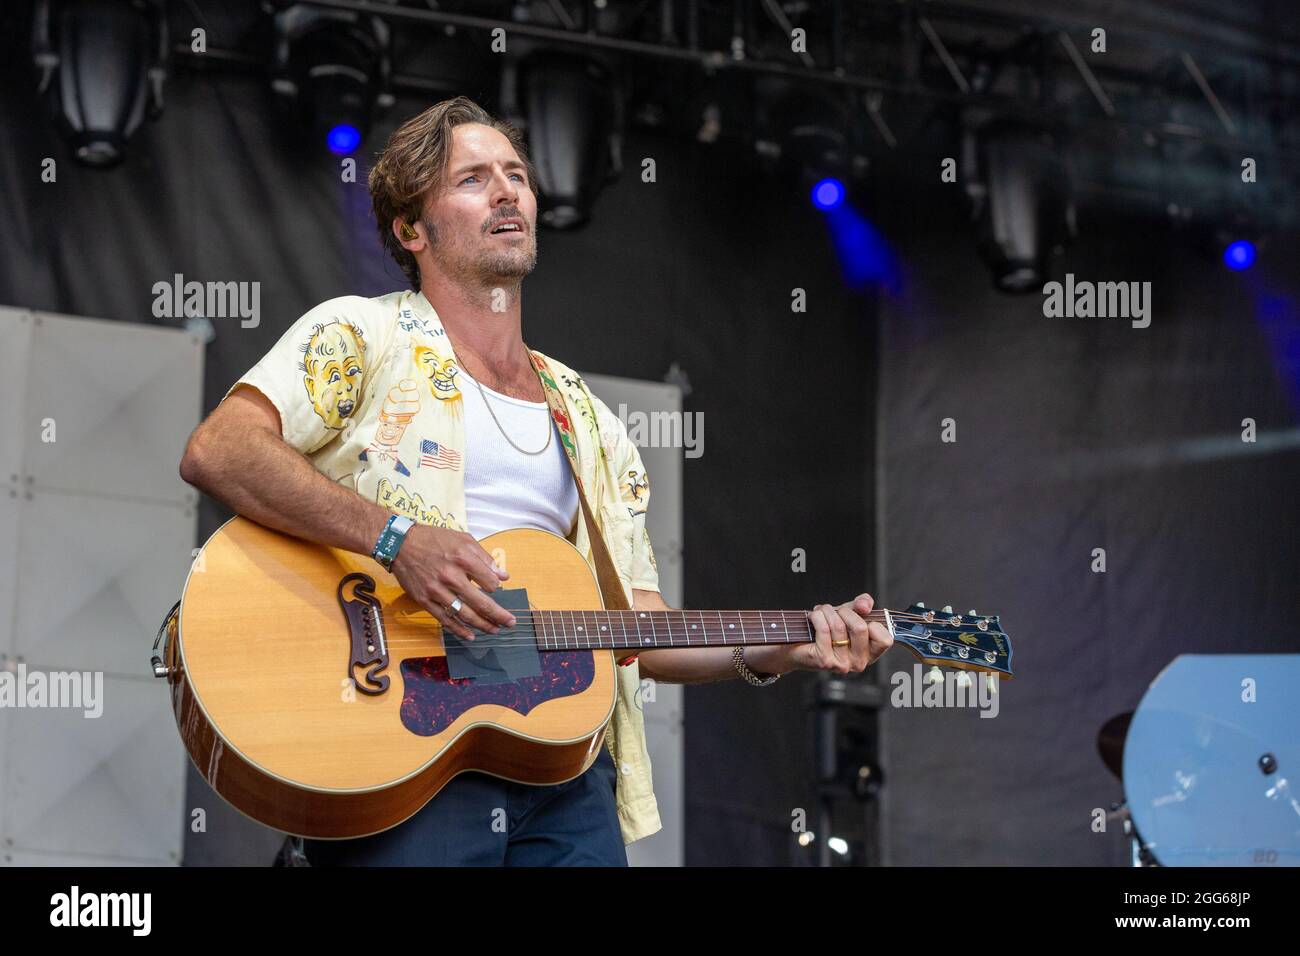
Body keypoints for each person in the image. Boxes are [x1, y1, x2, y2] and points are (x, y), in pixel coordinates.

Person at [179, 95, 894, 867]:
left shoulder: (588, 419)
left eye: (516, 175)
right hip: (405, 744)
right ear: (411, 229)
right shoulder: (364, 335)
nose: (507, 191)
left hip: (558, 759)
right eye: (473, 179)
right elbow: (221, 450)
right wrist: (396, 540)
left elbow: (640, 627)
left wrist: (788, 647)